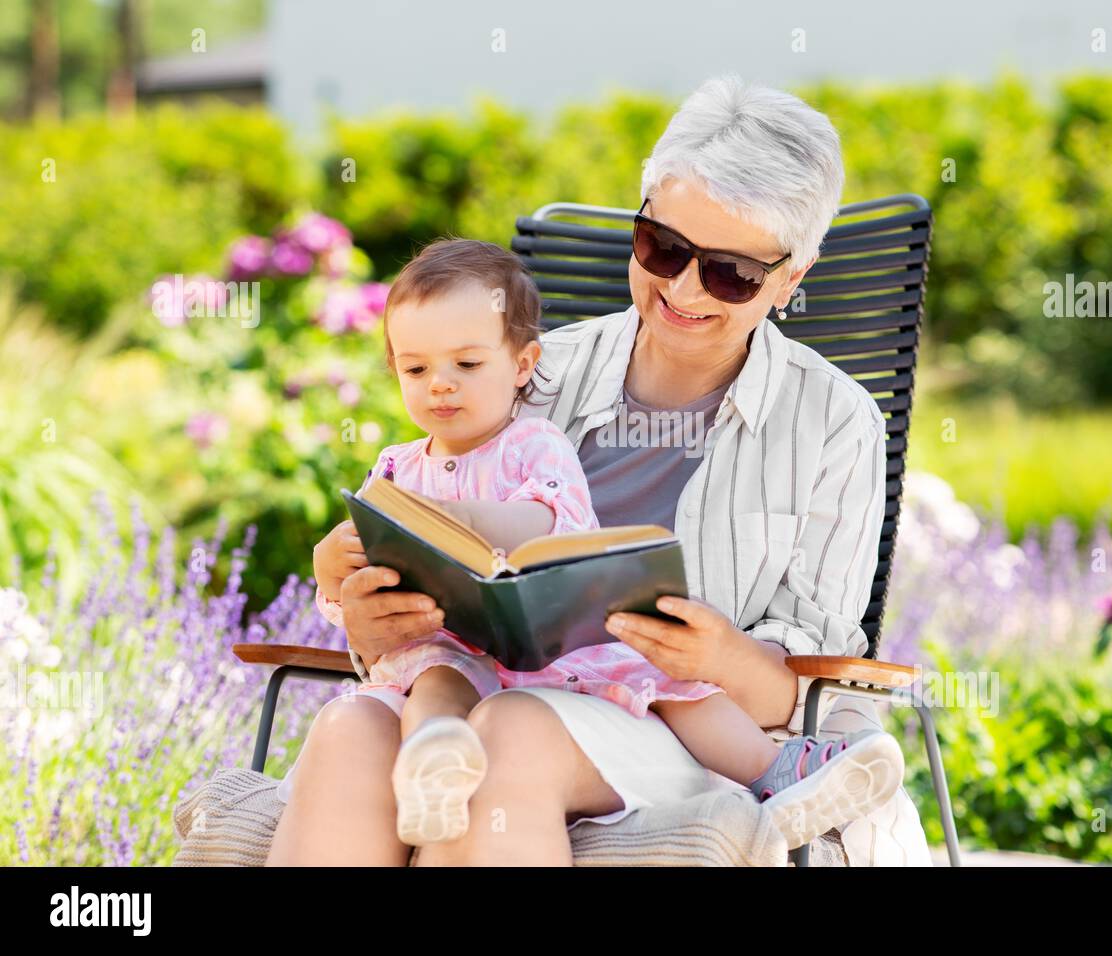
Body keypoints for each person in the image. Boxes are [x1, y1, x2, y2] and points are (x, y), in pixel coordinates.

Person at [268, 74, 930, 867]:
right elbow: (438, 545)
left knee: (507, 740)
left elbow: (817, 692)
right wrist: (365, 608)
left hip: (700, 731)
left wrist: (714, 655)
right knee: (349, 730)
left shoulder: (833, 425)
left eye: (731, 273)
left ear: (791, 278)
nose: (684, 288)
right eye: (665, 248)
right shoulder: (527, 372)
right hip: (493, 687)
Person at [312, 236, 904, 851]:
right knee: (420, 689)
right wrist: (335, 574)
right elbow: (366, 576)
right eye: (415, 370)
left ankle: (779, 774)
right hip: (456, 654)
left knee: (669, 677)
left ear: (521, 366)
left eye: (465, 365)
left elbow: (547, 519)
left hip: (564, 661)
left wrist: (445, 517)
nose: (440, 386)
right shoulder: (395, 469)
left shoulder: (532, 441)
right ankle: (429, 772)